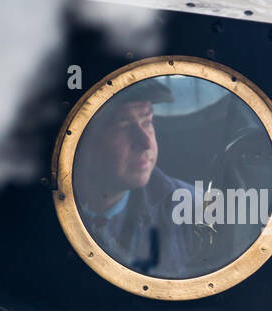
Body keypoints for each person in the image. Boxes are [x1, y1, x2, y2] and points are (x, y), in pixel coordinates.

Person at [72, 80, 208, 277]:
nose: (145, 143)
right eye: (123, 126)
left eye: (147, 122)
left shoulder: (194, 209)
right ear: (81, 139)